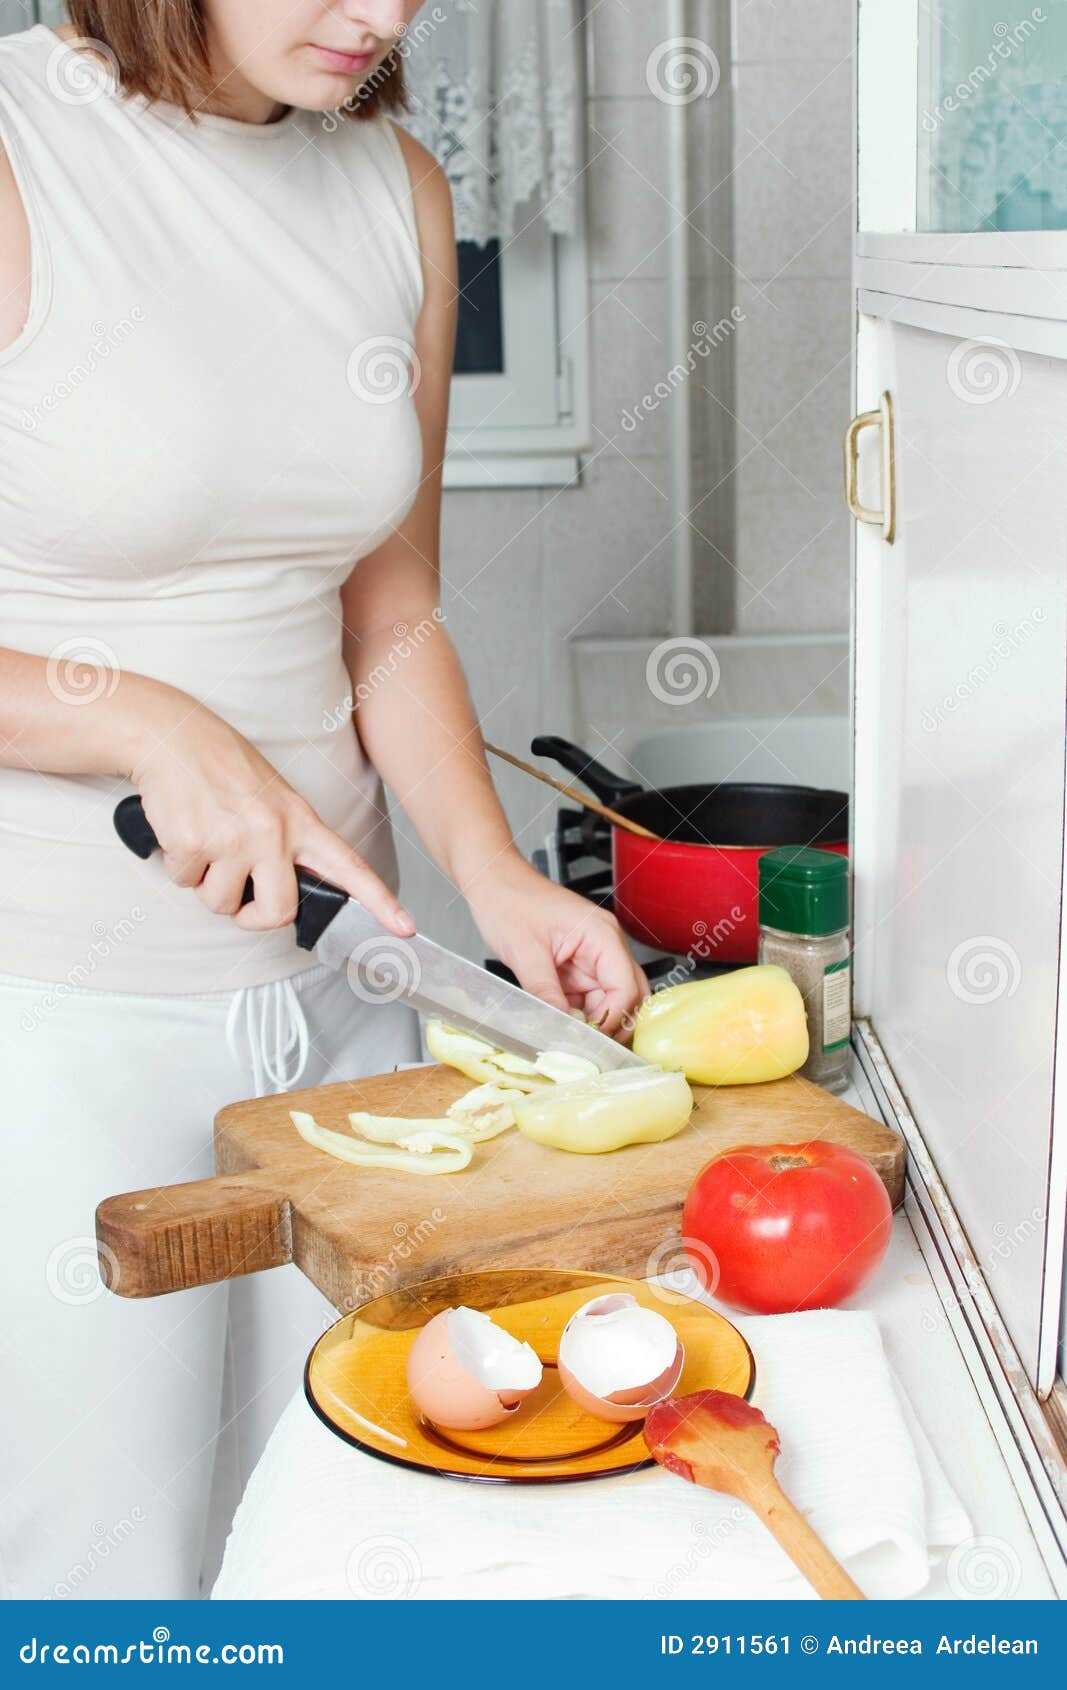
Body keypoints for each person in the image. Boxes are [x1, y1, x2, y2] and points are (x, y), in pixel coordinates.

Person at [0, 1, 648, 1599]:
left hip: (351, 997)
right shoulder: (23, 151)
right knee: (101, 1569)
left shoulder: (396, 189)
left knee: (351, 1537)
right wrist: (134, 718)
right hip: (53, 1017)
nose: (383, 15)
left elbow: (392, 601)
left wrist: (492, 874)